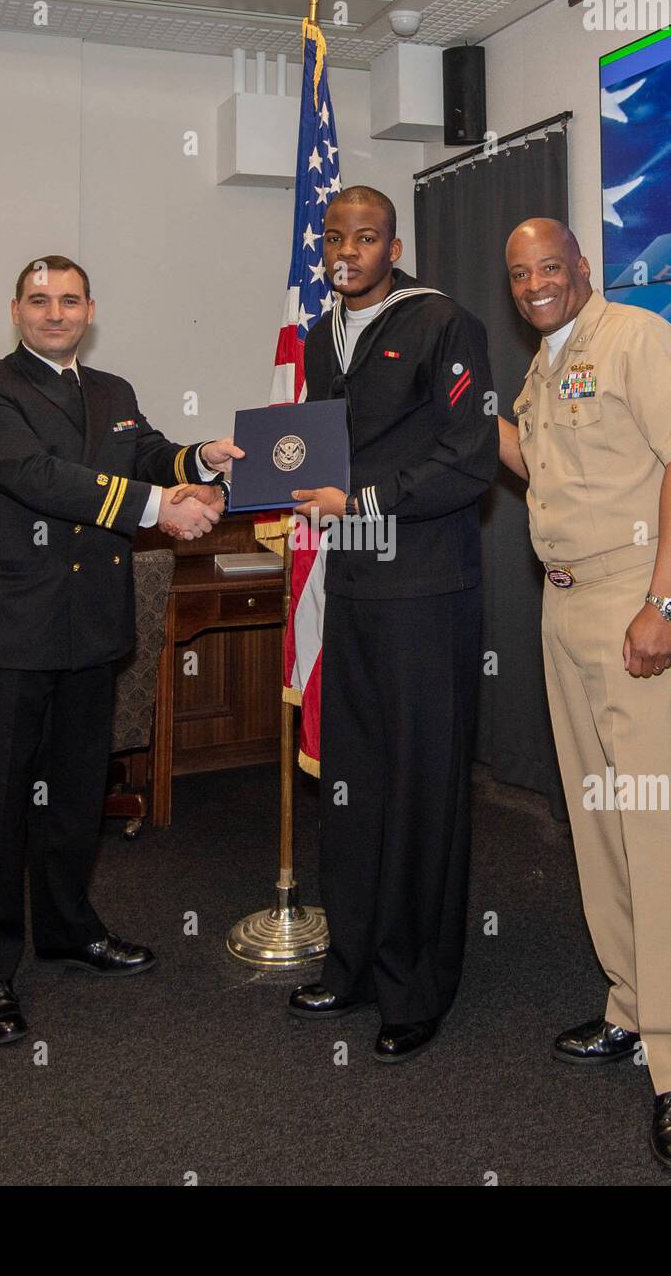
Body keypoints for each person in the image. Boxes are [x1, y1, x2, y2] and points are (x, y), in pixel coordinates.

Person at [0, 254, 238, 1044]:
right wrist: (160, 509)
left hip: (90, 628)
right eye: (39, 301)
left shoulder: (112, 393)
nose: (55, 313)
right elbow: (42, 478)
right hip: (11, 630)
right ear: (15, 310)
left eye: (69, 300)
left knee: (74, 797)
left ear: (90, 309)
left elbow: (144, 453)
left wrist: (198, 462)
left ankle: (71, 929)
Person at [499, 218, 671, 1169]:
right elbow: (542, 468)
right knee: (599, 819)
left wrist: (663, 603)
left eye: (552, 267)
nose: (537, 284)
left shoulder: (638, 337)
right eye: (521, 275)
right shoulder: (546, 368)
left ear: (583, 268)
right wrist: (469, 422)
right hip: (565, 607)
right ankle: (630, 1009)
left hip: (639, 601)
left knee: (657, 827)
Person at [288, 186, 497, 1062]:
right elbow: (307, 449)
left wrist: (360, 501)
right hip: (355, 593)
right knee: (353, 786)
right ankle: (355, 960)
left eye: (365, 237)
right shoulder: (316, 337)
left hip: (426, 592)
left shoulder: (446, 322)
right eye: (335, 237)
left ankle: (416, 984)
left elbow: (469, 460)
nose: (348, 251)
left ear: (393, 244)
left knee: (420, 792)